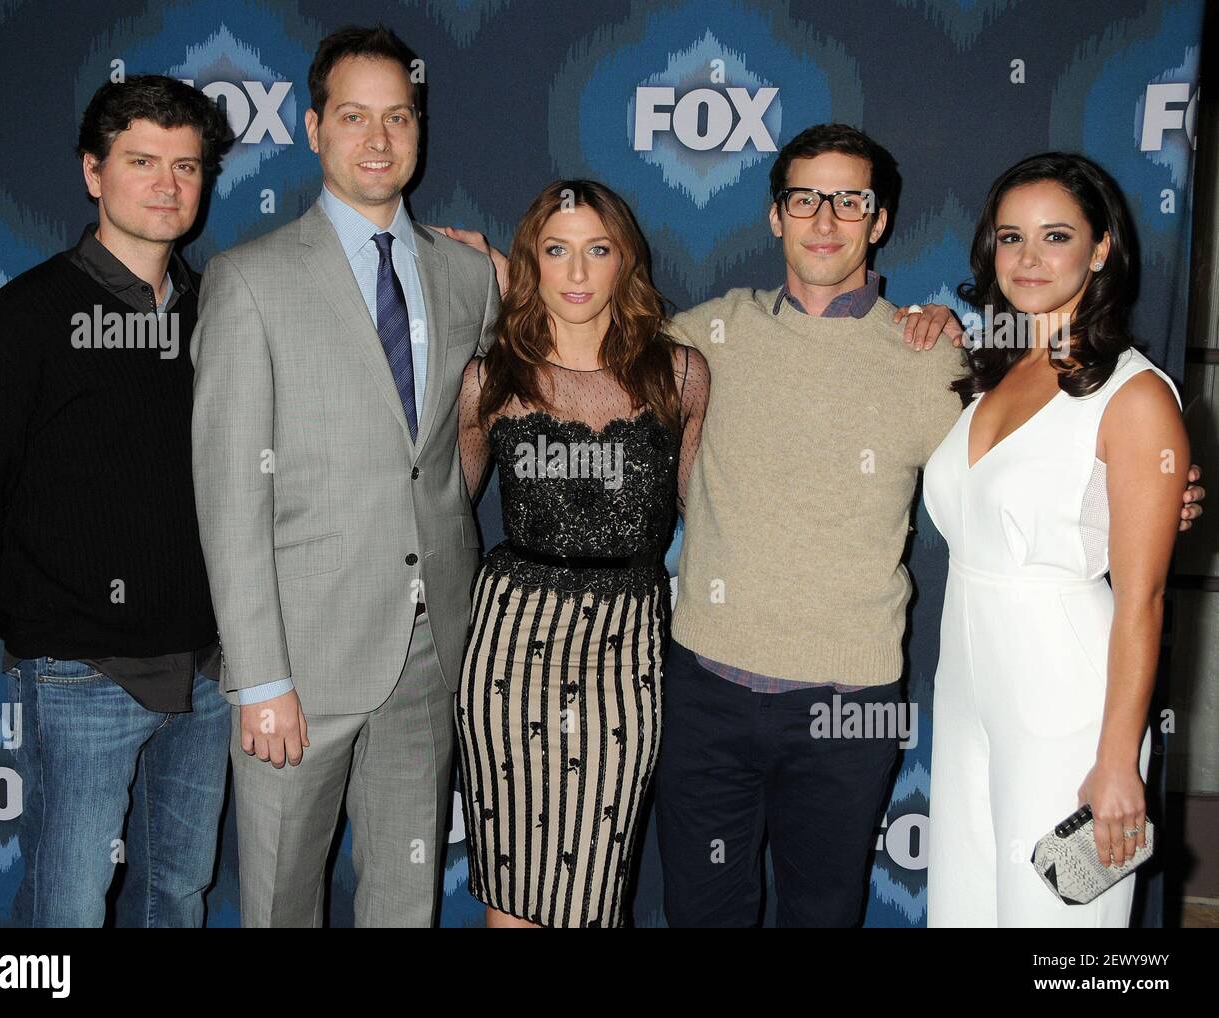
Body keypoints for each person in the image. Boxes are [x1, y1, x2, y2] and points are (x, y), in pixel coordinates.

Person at [444, 123, 1204, 928]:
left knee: (829, 915)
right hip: (704, 689)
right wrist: (495, 276)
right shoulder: (699, 342)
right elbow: (583, 329)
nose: (826, 219)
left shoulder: (943, 363)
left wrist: (1154, 484)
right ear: (775, 217)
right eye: (804, 199)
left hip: (849, 706)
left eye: (851, 201)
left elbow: (1052, 457)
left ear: (878, 221)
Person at [189, 24, 498, 927]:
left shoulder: (467, 276)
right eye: (354, 116)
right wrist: (257, 678)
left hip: (431, 644)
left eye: (398, 116)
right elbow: (229, 495)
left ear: (420, 130)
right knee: (283, 896)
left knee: (405, 900)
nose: (377, 137)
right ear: (314, 128)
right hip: (299, 661)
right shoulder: (251, 282)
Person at [0, 75, 235, 926]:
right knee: (65, 907)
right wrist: (48, 624)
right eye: (143, 162)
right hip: (83, 674)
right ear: (93, 173)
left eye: (186, 165)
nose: (169, 184)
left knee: (177, 895)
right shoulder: (23, 318)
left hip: (211, 671)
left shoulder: (220, 312)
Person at [924, 153, 1189, 927]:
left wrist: (1117, 762)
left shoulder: (1135, 395)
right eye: (1011, 237)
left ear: (1101, 249)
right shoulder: (999, 369)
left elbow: (1141, 598)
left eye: (1056, 236)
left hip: (1068, 701)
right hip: (968, 689)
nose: (1029, 258)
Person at [454, 180, 709, 927]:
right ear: (531, 262)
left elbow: (711, 514)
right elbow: (439, 517)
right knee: (514, 887)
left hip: (626, 649)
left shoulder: (682, 374)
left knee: (594, 887)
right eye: (556, 250)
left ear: (623, 261)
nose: (575, 272)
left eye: (596, 250)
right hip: (508, 646)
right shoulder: (488, 382)